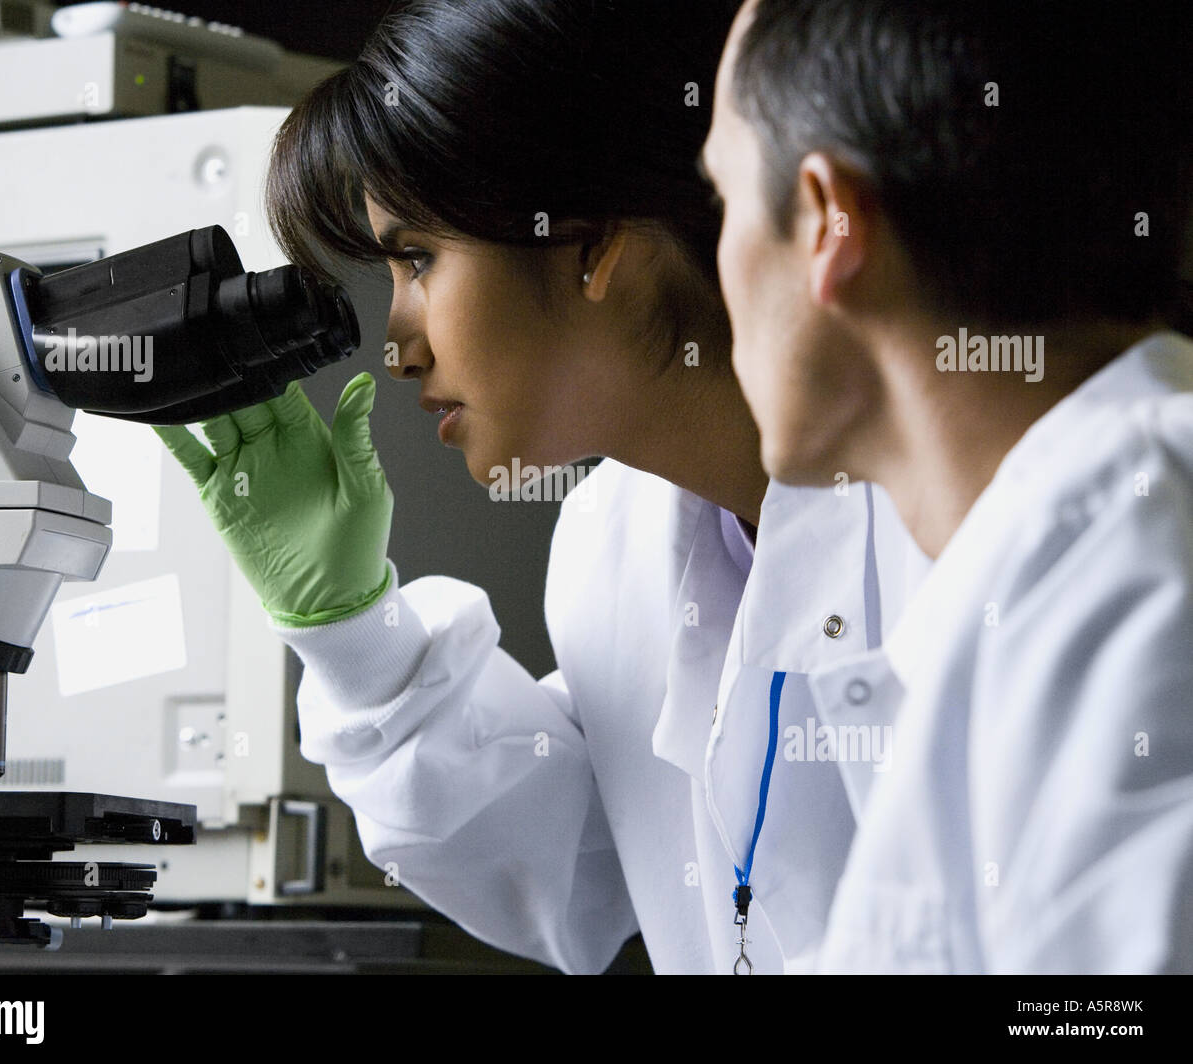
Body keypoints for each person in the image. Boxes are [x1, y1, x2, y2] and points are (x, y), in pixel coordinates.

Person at [156, 0, 926, 974]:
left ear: (590, 241)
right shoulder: (612, 541)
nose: (397, 345)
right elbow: (577, 869)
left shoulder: (937, 506)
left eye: (418, 258)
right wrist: (353, 634)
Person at [703, 0, 1193, 971]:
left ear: (828, 222)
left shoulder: (1123, 539)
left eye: (721, 202)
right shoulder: (1076, 536)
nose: (717, 263)